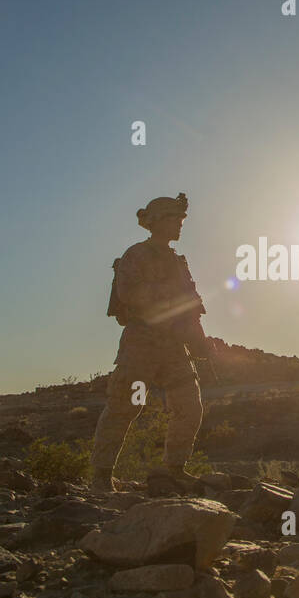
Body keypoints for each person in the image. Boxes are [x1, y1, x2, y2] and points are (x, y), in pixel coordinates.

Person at [89, 193, 209, 493]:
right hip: (141, 342)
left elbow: (191, 305)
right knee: (124, 407)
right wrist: (168, 300)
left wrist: (200, 342)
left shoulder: (178, 262)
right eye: (175, 219)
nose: (180, 225)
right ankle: (102, 476)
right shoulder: (136, 255)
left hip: (173, 345)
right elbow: (130, 293)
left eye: (181, 220)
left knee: (190, 406)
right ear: (158, 222)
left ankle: (174, 469)